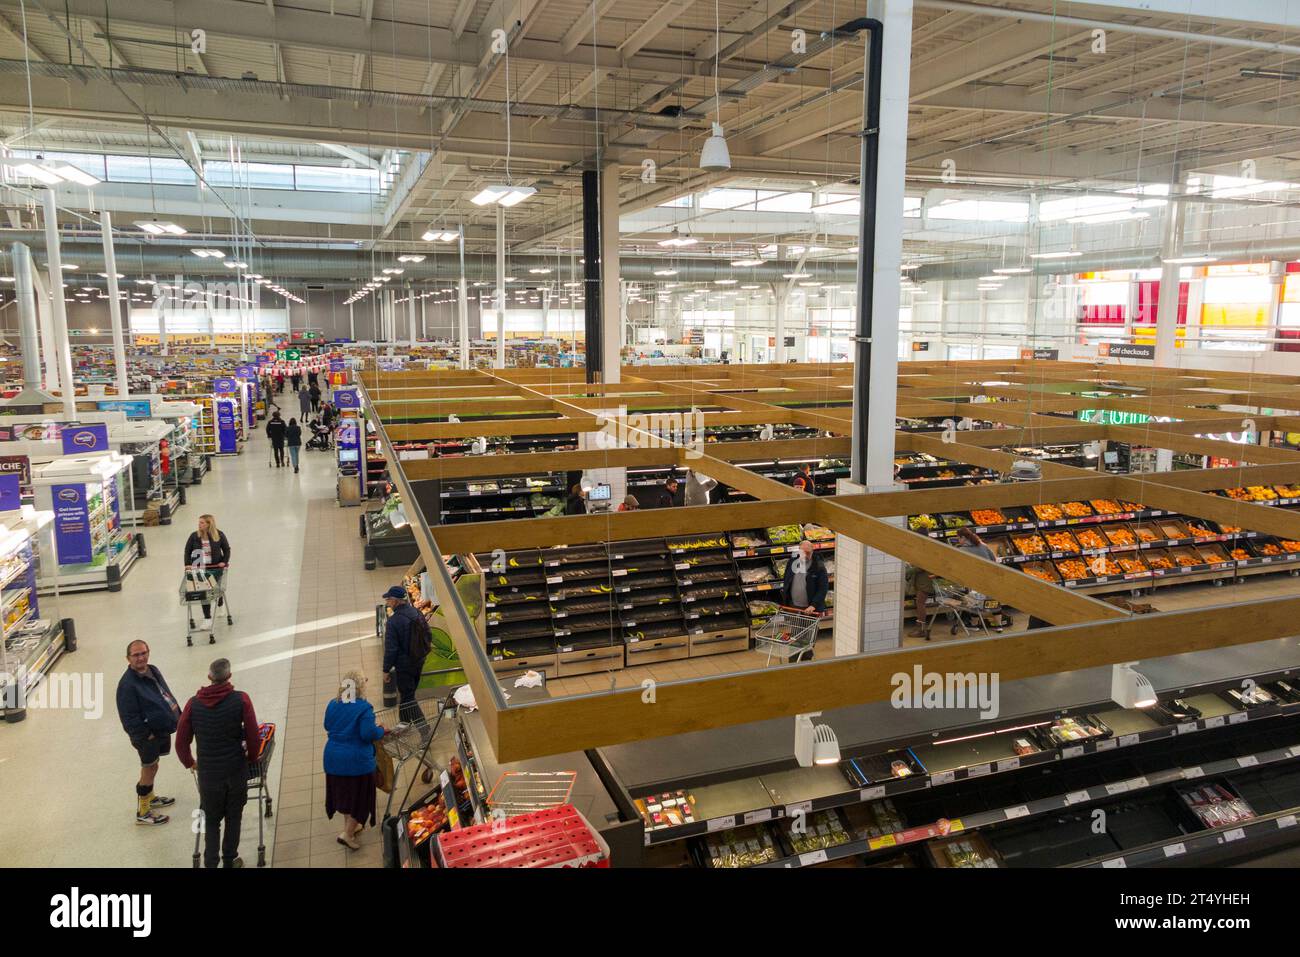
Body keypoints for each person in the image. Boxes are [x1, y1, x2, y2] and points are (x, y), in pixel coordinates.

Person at [174, 658, 260, 868]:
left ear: (209, 677)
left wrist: (191, 763)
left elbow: (180, 742)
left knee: (211, 820)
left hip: (209, 775)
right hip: (235, 771)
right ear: (229, 677)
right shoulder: (241, 700)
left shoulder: (193, 704)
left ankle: (210, 862)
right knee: (234, 816)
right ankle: (230, 860)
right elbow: (253, 737)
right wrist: (251, 758)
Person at [116, 640, 180, 826]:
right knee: (148, 768)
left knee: (154, 764)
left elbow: (164, 694)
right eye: (136, 655)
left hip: (159, 728)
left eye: (143, 653)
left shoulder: (153, 669)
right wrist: (146, 735)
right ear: (128, 658)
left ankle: (151, 798)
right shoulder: (127, 685)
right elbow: (128, 717)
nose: (141, 657)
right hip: (146, 735)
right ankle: (143, 811)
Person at [324, 671, 386, 850]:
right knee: (360, 798)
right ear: (359, 688)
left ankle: (351, 826)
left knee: (345, 795)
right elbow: (368, 734)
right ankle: (347, 834)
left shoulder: (333, 704)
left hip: (333, 760)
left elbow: (327, 725)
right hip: (356, 762)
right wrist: (381, 730)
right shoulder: (363, 708)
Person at [381, 585, 430, 743]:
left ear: (395, 601)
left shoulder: (394, 622)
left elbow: (391, 649)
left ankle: (425, 730)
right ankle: (404, 722)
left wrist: (386, 670)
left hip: (404, 666)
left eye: (388, 599)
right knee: (407, 694)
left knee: (408, 698)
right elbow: (428, 634)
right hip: (419, 661)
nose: (387, 601)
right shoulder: (416, 613)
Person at [184, 514, 231, 622]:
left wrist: (224, 562)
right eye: (199, 522)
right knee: (204, 593)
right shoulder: (194, 536)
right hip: (199, 568)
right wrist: (187, 564)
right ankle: (207, 619)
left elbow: (227, 549)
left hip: (215, 568)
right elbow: (187, 551)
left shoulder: (219, 535)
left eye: (202, 522)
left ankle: (220, 604)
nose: (199, 524)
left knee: (216, 590)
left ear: (209, 524)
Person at [780, 539, 829, 615]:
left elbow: (823, 588)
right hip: (793, 606)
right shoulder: (792, 562)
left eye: (808, 553)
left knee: (810, 627)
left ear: (812, 551)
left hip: (809, 609)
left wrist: (813, 605)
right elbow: (786, 580)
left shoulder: (818, 567)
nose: (805, 555)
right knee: (795, 626)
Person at [908, 565, 935, 640]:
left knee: (920, 605)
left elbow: (920, 567)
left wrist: (904, 572)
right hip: (921, 585)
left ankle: (921, 630)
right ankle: (919, 629)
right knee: (920, 604)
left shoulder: (925, 559)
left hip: (924, 585)